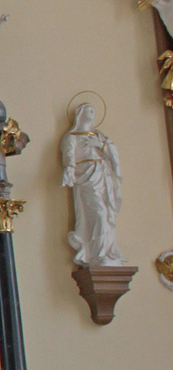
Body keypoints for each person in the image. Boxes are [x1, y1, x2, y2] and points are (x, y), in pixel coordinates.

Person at [61, 102, 125, 266]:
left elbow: (113, 154)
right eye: (88, 109)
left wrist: (101, 146)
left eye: (93, 110)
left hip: (103, 177)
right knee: (99, 213)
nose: (91, 112)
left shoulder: (99, 137)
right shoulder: (71, 137)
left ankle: (106, 252)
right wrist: (69, 169)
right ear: (80, 114)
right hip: (86, 178)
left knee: (107, 213)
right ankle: (97, 253)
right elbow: (69, 155)